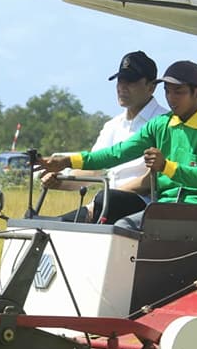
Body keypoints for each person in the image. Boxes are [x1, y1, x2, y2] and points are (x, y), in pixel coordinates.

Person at [39, 60, 197, 219]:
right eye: (167, 91)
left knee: (124, 228)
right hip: (164, 207)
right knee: (120, 227)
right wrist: (68, 161)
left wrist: (165, 166)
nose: (171, 98)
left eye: (178, 91)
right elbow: (117, 153)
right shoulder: (161, 124)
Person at [44, 50, 168, 222]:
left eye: (130, 81)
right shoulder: (112, 125)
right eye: (120, 80)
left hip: (144, 208)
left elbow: (149, 182)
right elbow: (93, 169)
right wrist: (60, 181)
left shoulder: (165, 123)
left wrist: (106, 197)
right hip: (106, 204)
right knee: (43, 225)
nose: (122, 87)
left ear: (151, 86)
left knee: (105, 202)